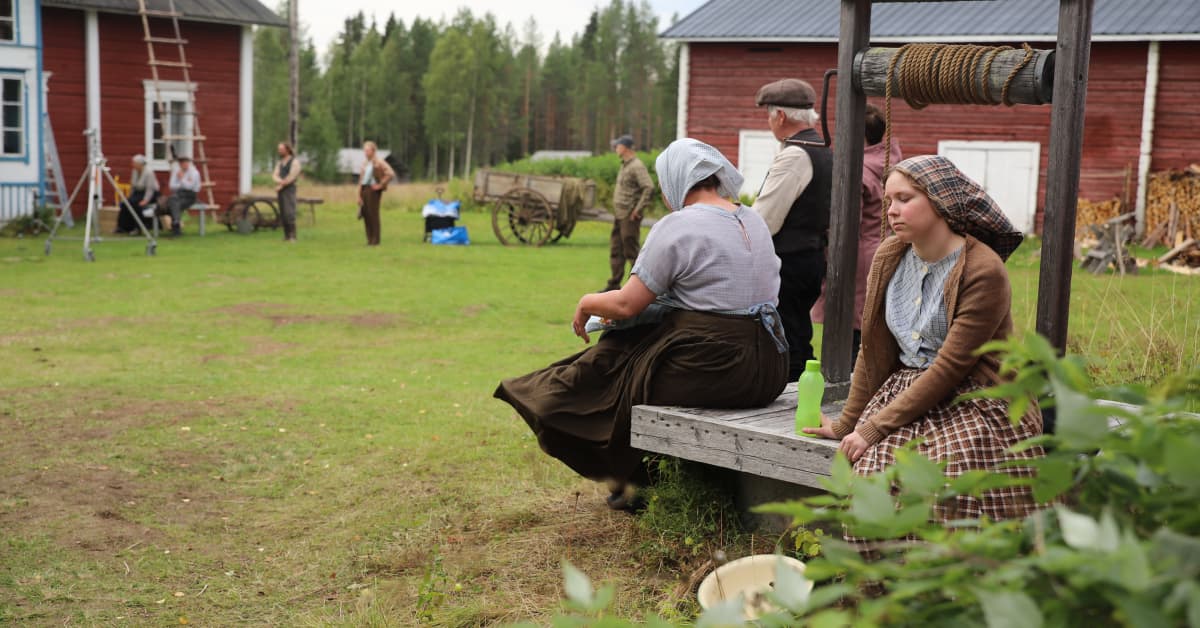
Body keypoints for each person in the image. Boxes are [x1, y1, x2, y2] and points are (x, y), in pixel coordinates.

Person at [495, 138, 789, 510]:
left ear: (676, 181)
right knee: (624, 359)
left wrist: (587, 302)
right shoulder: (753, 219)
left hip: (718, 364)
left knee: (618, 384)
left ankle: (636, 485)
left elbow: (625, 303)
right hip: (771, 362)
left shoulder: (679, 225)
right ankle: (636, 481)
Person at [803, 154, 1043, 532]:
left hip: (975, 397)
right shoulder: (889, 256)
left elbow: (951, 367)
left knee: (948, 486)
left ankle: (958, 582)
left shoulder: (983, 269)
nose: (892, 211)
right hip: (903, 392)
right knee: (870, 483)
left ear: (941, 202)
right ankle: (880, 585)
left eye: (905, 199)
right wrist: (847, 423)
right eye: (888, 202)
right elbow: (872, 347)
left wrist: (873, 428)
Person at [753, 78, 833, 381]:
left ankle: (792, 396)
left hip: (789, 260)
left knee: (787, 337)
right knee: (797, 329)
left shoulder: (795, 155)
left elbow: (766, 220)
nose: (769, 122)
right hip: (810, 255)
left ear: (781, 116)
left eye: (769, 115)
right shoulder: (822, 148)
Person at [810, 104, 902, 366]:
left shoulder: (858, 169)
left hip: (859, 256)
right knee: (871, 322)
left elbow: (848, 223)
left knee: (852, 327)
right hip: (885, 246)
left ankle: (848, 385)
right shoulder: (888, 161)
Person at [605, 134, 655, 292]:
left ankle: (637, 288)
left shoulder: (636, 166)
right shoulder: (625, 164)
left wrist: (637, 210)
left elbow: (649, 187)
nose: (615, 148)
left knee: (631, 251)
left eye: (617, 146)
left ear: (625, 147)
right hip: (620, 214)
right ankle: (614, 285)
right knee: (616, 250)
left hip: (629, 216)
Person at [358, 140, 394, 246]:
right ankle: (369, 239)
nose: (365, 153)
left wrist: (381, 184)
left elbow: (390, 173)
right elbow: (361, 180)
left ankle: (375, 240)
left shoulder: (379, 162)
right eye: (365, 151)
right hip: (364, 189)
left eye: (367, 150)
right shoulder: (364, 163)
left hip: (373, 190)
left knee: (373, 214)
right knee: (366, 214)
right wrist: (359, 195)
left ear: (373, 151)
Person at [116, 154, 158, 235]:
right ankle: (123, 227)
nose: (132, 165)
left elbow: (150, 188)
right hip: (138, 193)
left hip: (150, 194)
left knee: (136, 205)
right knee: (125, 203)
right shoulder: (135, 171)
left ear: (140, 164)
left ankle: (138, 227)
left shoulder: (149, 172)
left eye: (134, 163)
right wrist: (129, 197)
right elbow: (133, 186)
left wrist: (145, 200)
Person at [162, 155, 200, 237]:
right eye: (181, 163)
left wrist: (182, 178)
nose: (183, 164)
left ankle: (176, 226)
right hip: (179, 194)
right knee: (173, 200)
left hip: (190, 195)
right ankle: (176, 223)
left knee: (173, 202)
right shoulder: (176, 171)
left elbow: (190, 187)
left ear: (188, 163)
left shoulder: (194, 172)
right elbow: (171, 186)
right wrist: (183, 183)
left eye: (185, 162)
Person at [272, 142, 301, 242]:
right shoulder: (280, 163)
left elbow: (292, 176)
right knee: (283, 213)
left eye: (281, 149)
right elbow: (275, 175)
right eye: (279, 149)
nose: (279, 151)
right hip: (281, 189)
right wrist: (279, 182)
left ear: (287, 150)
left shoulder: (294, 162)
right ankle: (286, 236)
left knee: (289, 212)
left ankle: (293, 236)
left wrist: (281, 184)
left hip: (289, 189)